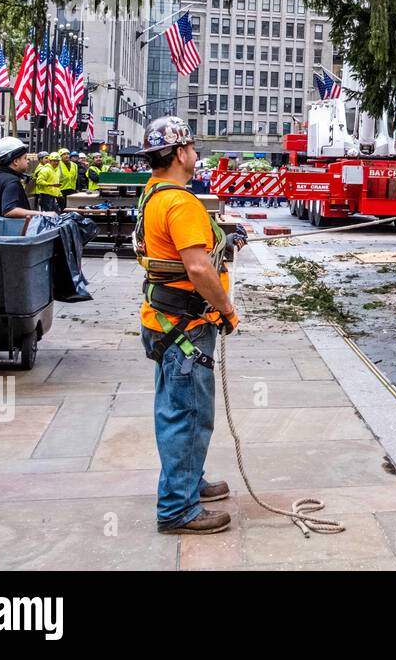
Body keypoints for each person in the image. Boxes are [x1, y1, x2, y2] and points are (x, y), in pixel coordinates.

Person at [136, 116, 240, 535]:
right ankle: (178, 508)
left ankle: (189, 483)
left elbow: (185, 252)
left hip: (167, 321)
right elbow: (197, 268)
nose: (196, 154)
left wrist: (225, 241)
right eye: (193, 148)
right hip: (186, 326)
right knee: (187, 415)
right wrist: (227, 310)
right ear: (180, 153)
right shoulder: (180, 203)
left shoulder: (154, 195)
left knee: (185, 412)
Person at [0, 137, 50, 219]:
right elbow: (9, 210)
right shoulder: (11, 182)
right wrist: (43, 214)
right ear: (16, 161)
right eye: (25, 158)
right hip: (8, 231)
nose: (28, 161)